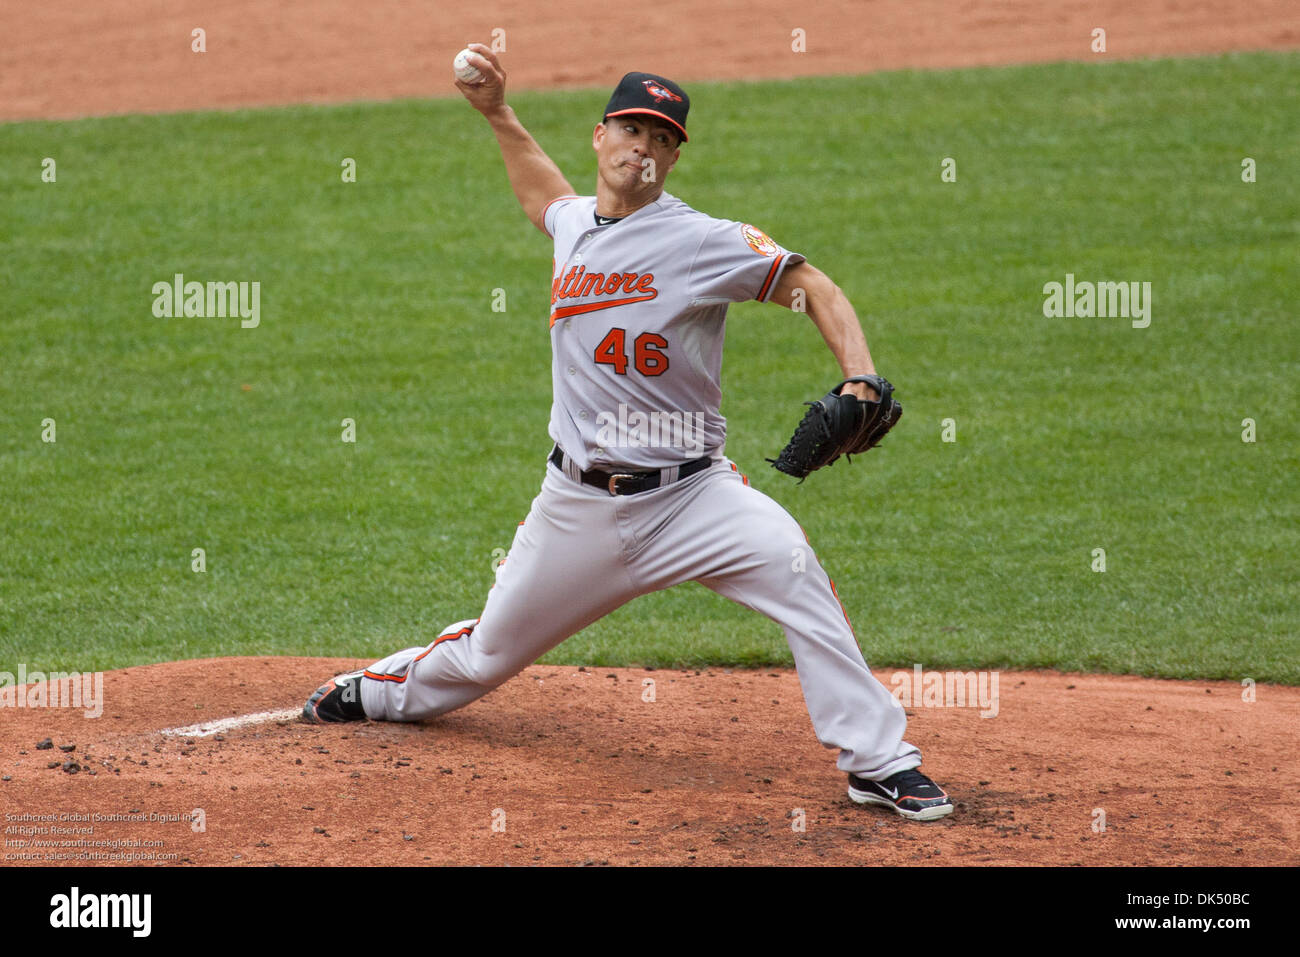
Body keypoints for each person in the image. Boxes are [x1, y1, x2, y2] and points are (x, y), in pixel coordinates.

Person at [303, 45, 953, 821]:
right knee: (485, 656)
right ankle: (376, 691)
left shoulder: (703, 240)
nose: (641, 147)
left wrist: (859, 377)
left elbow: (812, 286)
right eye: (630, 129)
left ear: (675, 156)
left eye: (661, 137)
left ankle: (879, 761)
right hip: (577, 505)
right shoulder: (576, 227)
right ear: (601, 136)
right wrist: (498, 113)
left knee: (794, 568)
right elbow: (542, 199)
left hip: (693, 497)